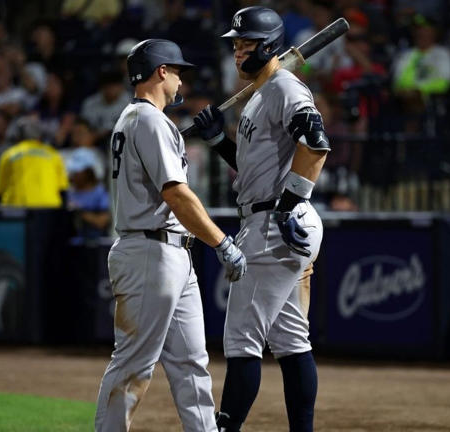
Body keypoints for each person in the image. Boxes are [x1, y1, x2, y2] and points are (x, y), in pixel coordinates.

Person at [94, 39, 246, 432]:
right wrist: (222, 241)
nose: (181, 79)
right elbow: (176, 194)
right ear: (161, 72)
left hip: (169, 252)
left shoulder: (143, 120)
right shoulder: (147, 119)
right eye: (177, 71)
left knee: (191, 363)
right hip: (149, 251)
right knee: (133, 365)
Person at [193, 7, 330, 431]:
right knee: (289, 340)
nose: (237, 51)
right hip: (271, 213)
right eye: (235, 43)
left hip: (276, 220)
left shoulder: (285, 88)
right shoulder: (261, 93)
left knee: (241, 341)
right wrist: (219, 141)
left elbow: (316, 143)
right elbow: (254, 171)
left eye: (245, 43)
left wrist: (290, 203)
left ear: (269, 45)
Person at [0, 116, 68, 207]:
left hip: (16, 208)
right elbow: (62, 188)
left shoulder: (8, 155)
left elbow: (0, 190)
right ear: (40, 136)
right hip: (49, 208)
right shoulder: (53, 154)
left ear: (17, 135)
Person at [65, 148, 110, 239]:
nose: (73, 175)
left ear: (88, 172)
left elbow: (102, 222)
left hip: (94, 245)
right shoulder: (69, 193)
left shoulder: (99, 193)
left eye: (77, 172)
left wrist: (79, 212)